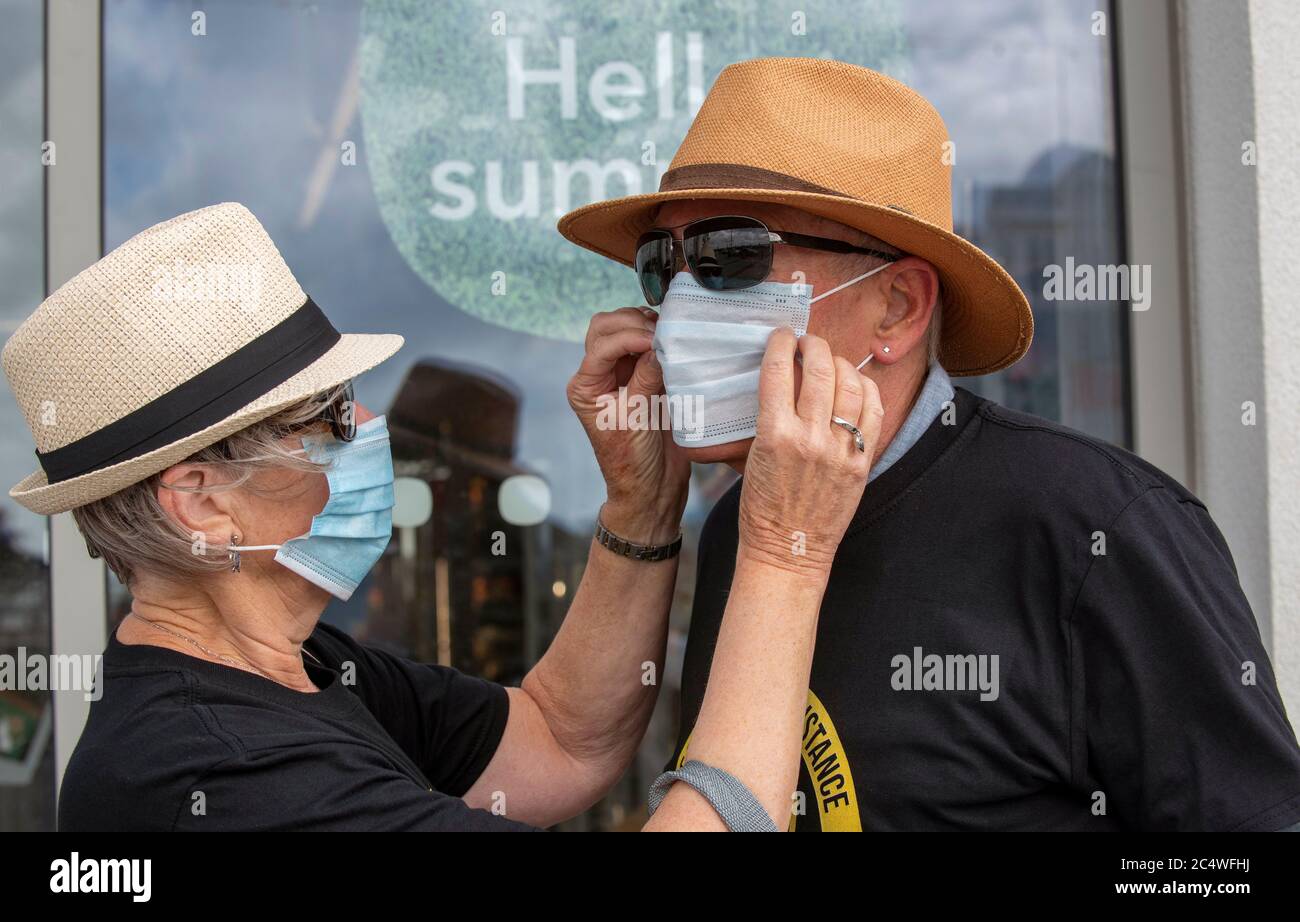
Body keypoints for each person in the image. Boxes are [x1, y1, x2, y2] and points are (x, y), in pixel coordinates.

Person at [557, 56, 1300, 830]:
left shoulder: (1095, 526)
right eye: (662, 264)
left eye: (728, 255)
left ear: (898, 307)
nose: (680, 301)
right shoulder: (734, 531)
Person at [3, 201, 878, 831]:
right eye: (330, 420)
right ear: (201, 502)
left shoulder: (298, 671)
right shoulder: (211, 770)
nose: (371, 432)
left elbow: (559, 738)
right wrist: (783, 553)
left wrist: (641, 507)